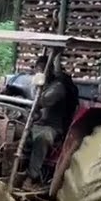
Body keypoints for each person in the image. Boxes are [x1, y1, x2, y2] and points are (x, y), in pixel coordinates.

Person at [22, 53, 79, 191]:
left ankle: (31, 178)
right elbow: (30, 101)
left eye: (43, 69)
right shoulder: (40, 84)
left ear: (50, 69)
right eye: (38, 69)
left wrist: (36, 86)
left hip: (52, 126)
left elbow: (43, 101)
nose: (39, 71)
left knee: (42, 139)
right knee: (15, 131)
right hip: (37, 122)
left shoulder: (58, 86)